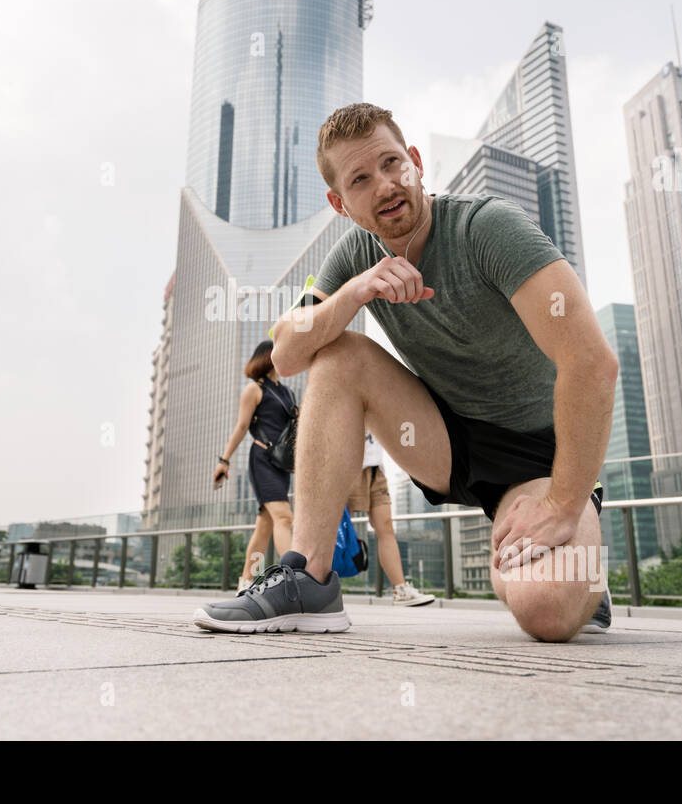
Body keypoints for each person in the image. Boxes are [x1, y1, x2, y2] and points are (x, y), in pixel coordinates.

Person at [194, 103, 617, 640]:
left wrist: (561, 504)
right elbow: (285, 355)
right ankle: (310, 578)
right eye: (361, 180)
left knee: (546, 612)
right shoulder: (355, 254)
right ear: (340, 203)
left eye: (393, 163)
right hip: (444, 439)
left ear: (416, 162)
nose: (386, 185)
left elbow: (592, 362)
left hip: (541, 456)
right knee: (338, 352)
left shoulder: (487, 229)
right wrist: (355, 290)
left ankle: (582, 584)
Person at [212, 340, 297, 590]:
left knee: (264, 526)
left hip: (281, 464)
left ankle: (246, 581)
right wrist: (224, 461)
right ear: (269, 357)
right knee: (284, 517)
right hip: (261, 461)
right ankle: (294, 576)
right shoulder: (254, 390)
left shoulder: (288, 392)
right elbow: (241, 427)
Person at [350, 431, 434, 606]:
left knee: (386, 526)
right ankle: (317, 583)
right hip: (348, 465)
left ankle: (400, 589)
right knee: (337, 526)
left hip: (376, 468)